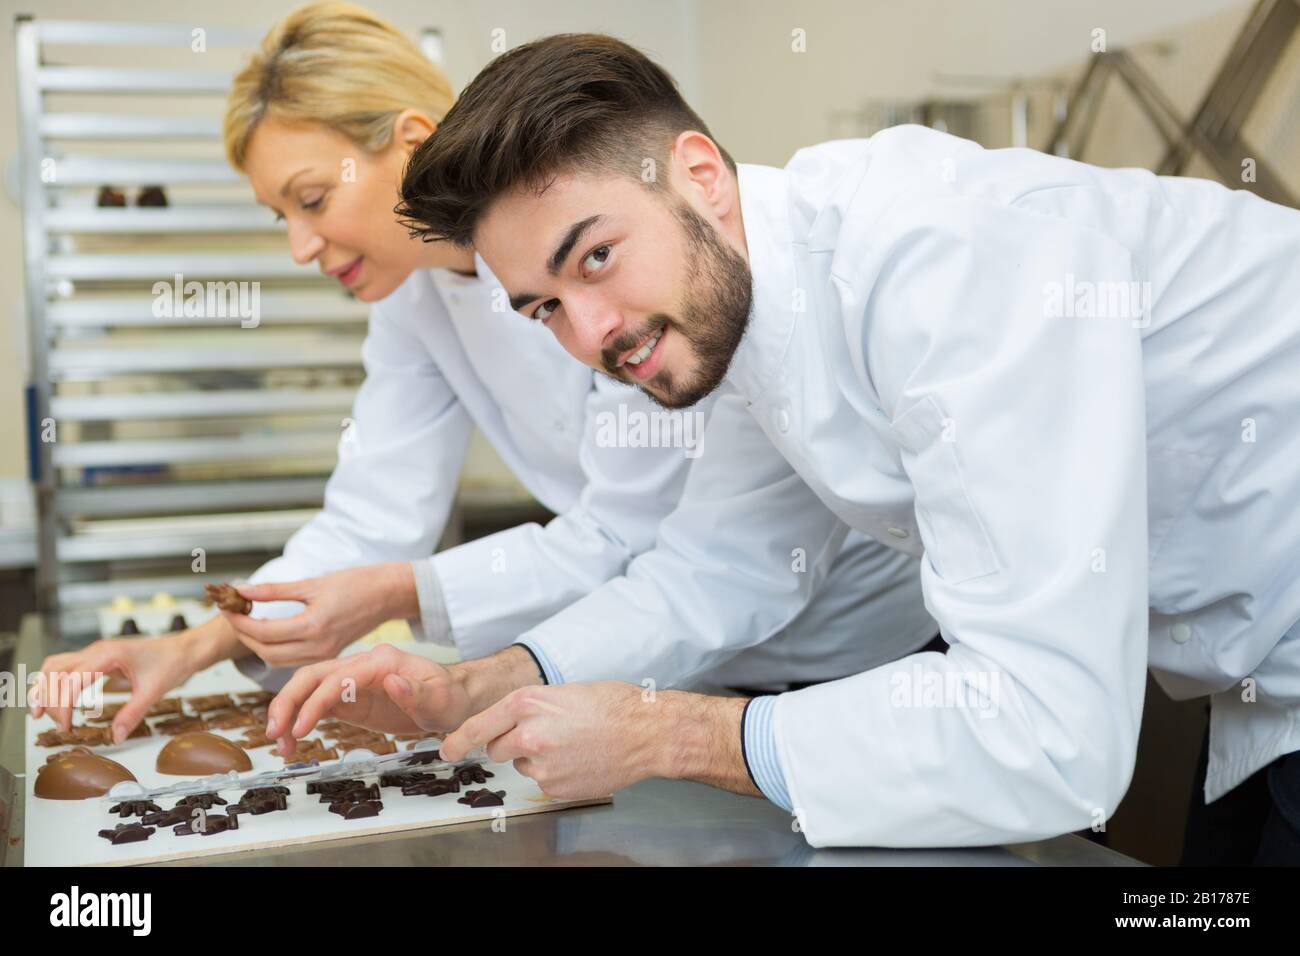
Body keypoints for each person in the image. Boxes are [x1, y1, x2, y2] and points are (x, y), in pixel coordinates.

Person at [274, 32, 1300, 861]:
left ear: (699, 174)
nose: (589, 336)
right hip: (1250, 675)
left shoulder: (945, 261)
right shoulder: (745, 311)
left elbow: (1045, 730)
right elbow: (716, 568)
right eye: (544, 305)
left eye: (595, 255)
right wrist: (484, 681)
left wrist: (665, 730)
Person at [29, 7, 937, 747]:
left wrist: (400, 597)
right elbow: (371, 517)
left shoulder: (624, 279)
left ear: (410, 140)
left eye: (312, 200)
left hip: (844, 653)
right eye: (281, 218)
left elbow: (631, 537)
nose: (302, 246)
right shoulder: (416, 301)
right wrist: (196, 646)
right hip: (667, 643)